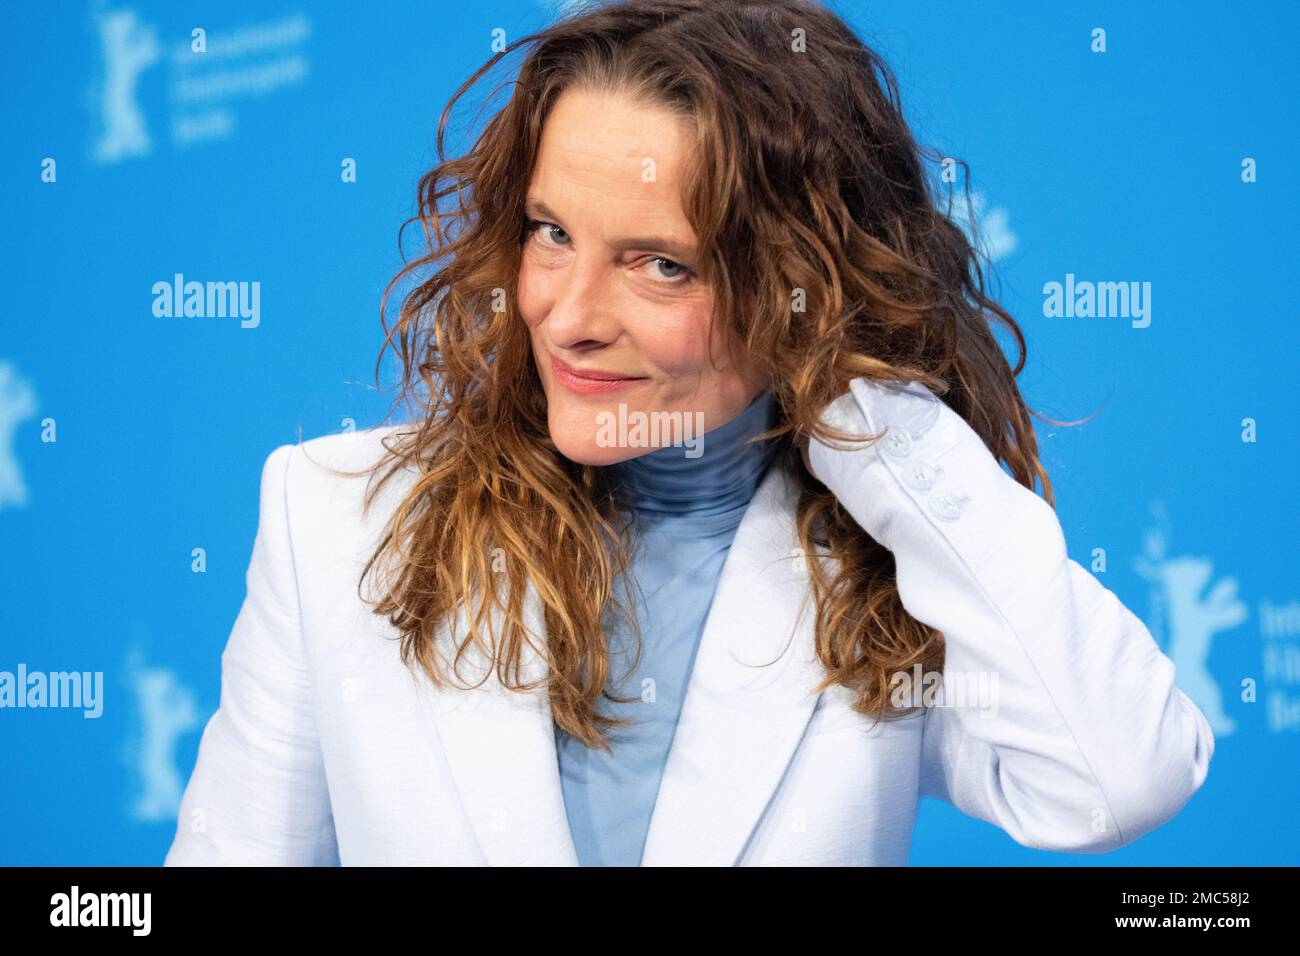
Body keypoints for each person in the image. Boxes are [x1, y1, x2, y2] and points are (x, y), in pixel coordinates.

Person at [164, 0, 1213, 866]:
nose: (568, 315)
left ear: (798, 283)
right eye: (551, 233)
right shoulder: (334, 518)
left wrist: (867, 415)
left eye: (659, 262)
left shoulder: (892, 561)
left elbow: (1117, 776)